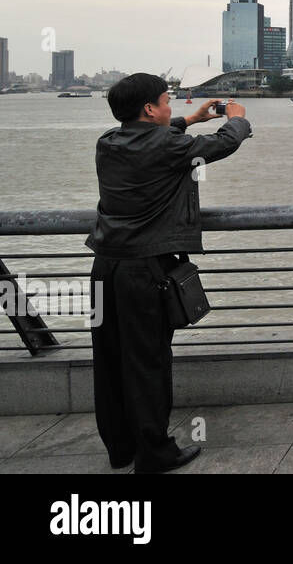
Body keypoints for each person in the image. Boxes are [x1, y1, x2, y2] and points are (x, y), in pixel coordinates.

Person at [86, 74, 251, 473]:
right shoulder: (166, 146)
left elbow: (155, 143)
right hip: (143, 271)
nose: (169, 109)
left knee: (109, 361)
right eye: (165, 102)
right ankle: (156, 454)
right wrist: (239, 119)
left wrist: (191, 119)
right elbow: (221, 145)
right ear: (149, 109)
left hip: (104, 269)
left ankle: (121, 449)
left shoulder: (108, 142)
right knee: (148, 363)